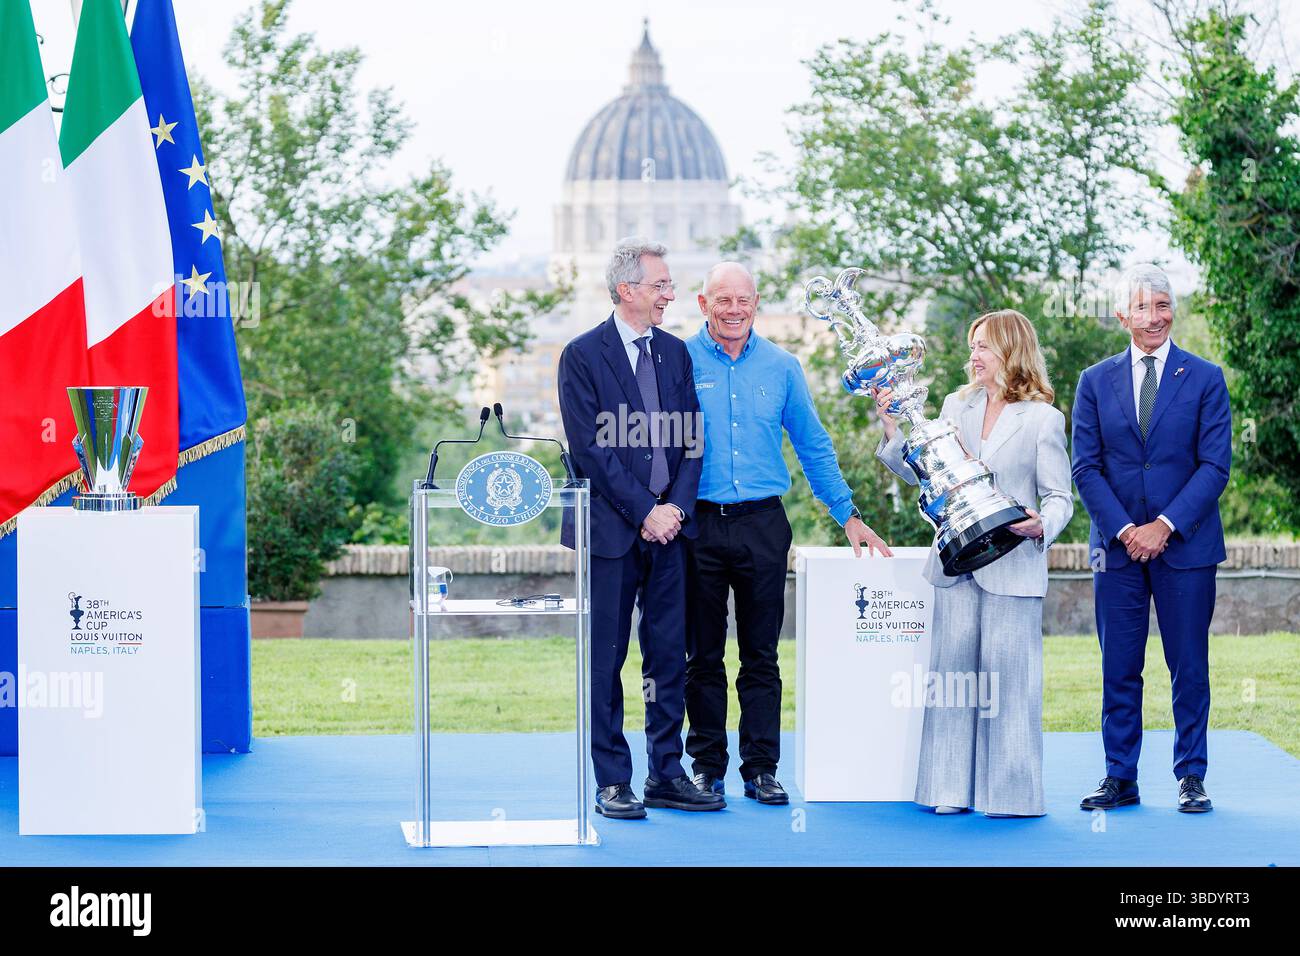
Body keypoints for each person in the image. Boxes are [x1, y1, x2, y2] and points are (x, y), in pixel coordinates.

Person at [681, 261, 892, 806]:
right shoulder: (678, 360)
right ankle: (706, 767)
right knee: (701, 657)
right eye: (721, 300)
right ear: (703, 305)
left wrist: (848, 515)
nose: (733, 310)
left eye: (743, 300)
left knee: (761, 655)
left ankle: (760, 769)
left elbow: (813, 444)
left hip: (762, 526)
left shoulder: (782, 367)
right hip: (695, 526)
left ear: (756, 304)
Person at [874, 309, 1073, 817]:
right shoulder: (954, 405)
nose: (973, 355)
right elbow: (924, 473)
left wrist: (1040, 525)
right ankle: (947, 791)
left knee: (1009, 687)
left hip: (1014, 564)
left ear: (1011, 350)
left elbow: (1058, 497)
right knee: (951, 681)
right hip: (956, 564)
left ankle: (1011, 796)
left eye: (983, 345)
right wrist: (891, 424)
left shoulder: (1045, 419)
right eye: (972, 346)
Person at [557, 237, 724, 819]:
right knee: (607, 657)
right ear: (627, 289)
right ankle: (612, 780)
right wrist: (644, 511)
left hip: (672, 533)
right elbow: (590, 450)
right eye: (660, 285)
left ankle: (666, 774)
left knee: (668, 659)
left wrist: (674, 509)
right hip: (611, 534)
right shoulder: (582, 355)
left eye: (668, 285)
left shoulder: (675, 354)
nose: (670, 295)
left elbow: (692, 441)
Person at [1072, 263, 1231, 814]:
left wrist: (1163, 526)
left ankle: (1191, 777)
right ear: (1123, 315)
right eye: (1144, 306)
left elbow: (1214, 467)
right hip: (1114, 552)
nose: (1155, 316)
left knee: (1188, 666)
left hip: (1186, 548)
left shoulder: (1206, 378)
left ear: (1173, 311)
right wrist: (1125, 530)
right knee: (1119, 665)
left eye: (1163, 305)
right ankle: (1121, 777)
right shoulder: (1093, 382)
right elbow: (1085, 469)